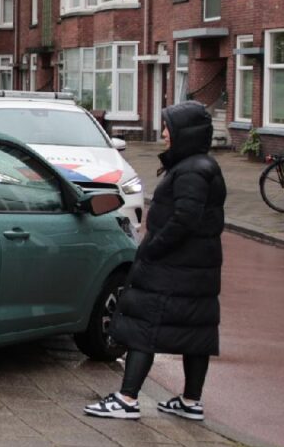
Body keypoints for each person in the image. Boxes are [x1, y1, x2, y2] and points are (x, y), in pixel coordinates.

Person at [85, 101, 226, 421]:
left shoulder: (192, 170)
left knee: (143, 327)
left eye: (169, 127)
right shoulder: (201, 166)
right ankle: (190, 401)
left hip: (172, 267)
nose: (164, 133)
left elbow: (184, 219)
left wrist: (152, 249)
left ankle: (127, 398)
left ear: (185, 132)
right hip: (196, 269)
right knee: (195, 333)